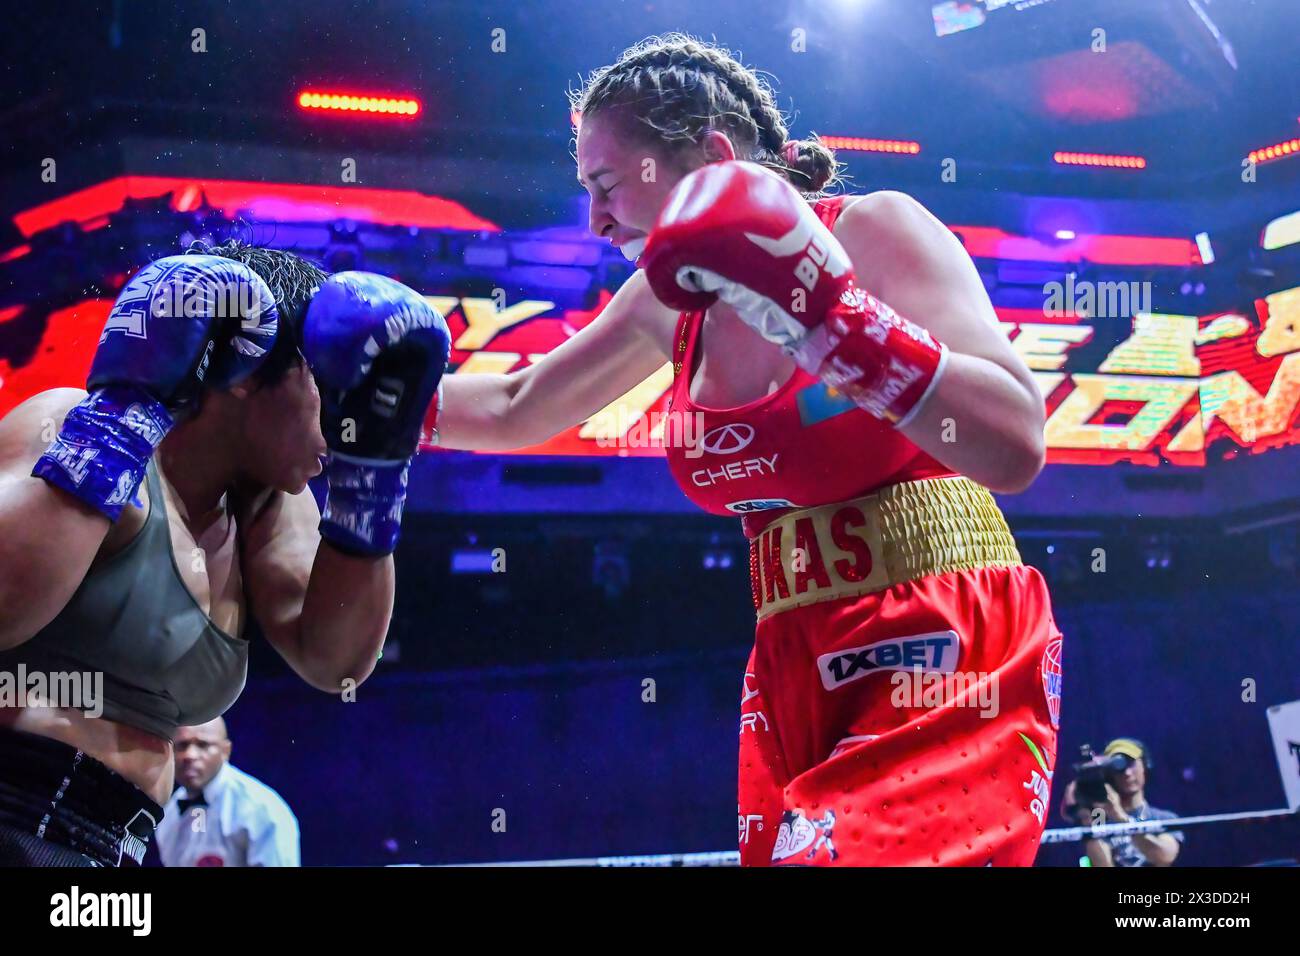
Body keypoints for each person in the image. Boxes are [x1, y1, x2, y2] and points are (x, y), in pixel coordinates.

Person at [434, 33, 1063, 865]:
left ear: (712, 156)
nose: (595, 217)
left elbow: (1017, 440)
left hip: (939, 630)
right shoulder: (668, 305)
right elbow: (518, 404)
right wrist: (343, 403)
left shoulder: (874, 232)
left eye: (607, 184)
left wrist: (831, 320)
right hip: (790, 658)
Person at [0, 241, 449, 866]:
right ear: (248, 368)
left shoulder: (269, 509)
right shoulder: (71, 425)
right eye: (326, 384)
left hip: (112, 849)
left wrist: (374, 468)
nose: (340, 419)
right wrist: (120, 421)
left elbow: (336, 663)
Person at [155, 717, 299, 867]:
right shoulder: (168, 814)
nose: (189, 755)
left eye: (202, 745)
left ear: (225, 751)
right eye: (182, 745)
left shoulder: (260, 809)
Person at [1060, 738, 1183, 867]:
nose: (1127, 773)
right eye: (1117, 767)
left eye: (1131, 763)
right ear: (1109, 774)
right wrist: (1087, 820)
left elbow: (1164, 856)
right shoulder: (1099, 817)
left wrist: (1120, 817)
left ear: (1145, 765)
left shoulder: (1163, 818)